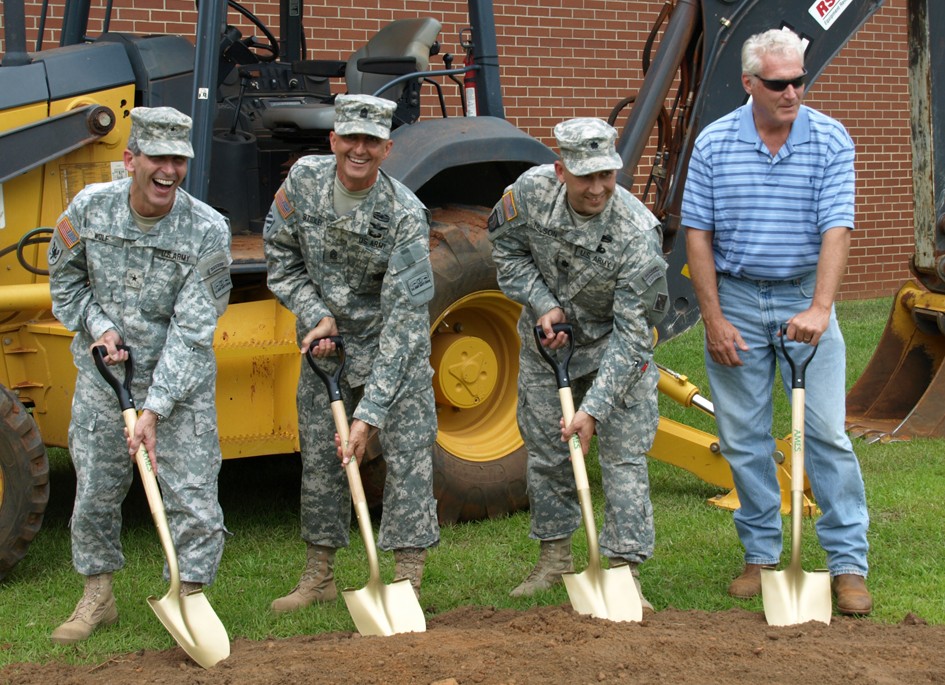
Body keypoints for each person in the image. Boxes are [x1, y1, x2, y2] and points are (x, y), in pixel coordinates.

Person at [681, 28, 872, 615]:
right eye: (778, 83)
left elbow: (835, 230)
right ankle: (761, 556)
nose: (792, 92)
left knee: (827, 435)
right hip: (735, 299)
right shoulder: (714, 144)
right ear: (749, 83)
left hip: (801, 297)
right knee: (744, 440)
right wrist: (712, 318)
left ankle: (847, 565)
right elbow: (698, 235)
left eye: (799, 81)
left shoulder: (830, 139)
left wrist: (819, 307)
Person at [47, 107, 233, 643]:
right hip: (105, 382)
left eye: (179, 159)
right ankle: (97, 596)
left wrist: (155, 408)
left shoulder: (206, 230)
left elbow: (194, 330)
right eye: (157, 158)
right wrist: (99, 326)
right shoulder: (87, 210)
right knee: (96, 492)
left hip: (180, 383)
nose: (169, 171)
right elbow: (67, 286)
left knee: (194, 497)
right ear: (131, 160)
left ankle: (191, 595)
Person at [264, 94, 439, 610]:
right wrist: (314, 311)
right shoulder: (302, 183)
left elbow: (406, 324)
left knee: (409, 463)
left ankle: (406, 581)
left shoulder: (405, 215)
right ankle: (318, 576)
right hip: (327, 346)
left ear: (387, 148)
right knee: (322, 462)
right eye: (350, 139)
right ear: (334, 140)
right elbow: (280, 256)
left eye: (372, 142)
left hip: (392, 350)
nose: (358, 150)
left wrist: (370, 416)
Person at [488, 118, 669, 607]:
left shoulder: (637, 234)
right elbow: (506, 251)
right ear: (560, 169)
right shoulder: (529, 193)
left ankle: (624, 572)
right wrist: (542, 302)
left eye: (606, 176)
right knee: (548, 453)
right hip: (550, 347)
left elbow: (636, 336)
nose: (597, 189)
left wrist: (594, 410)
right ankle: (554, 562)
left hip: (617, 351)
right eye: (585, 176)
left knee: (624, 460)